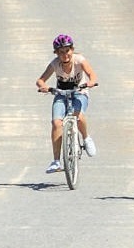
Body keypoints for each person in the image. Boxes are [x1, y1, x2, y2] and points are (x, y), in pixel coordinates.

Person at [35, 34, 98, 171]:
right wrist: (43, 86)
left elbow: (92, 75)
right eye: (61, 52)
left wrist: (90, 83)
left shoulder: (79, 60)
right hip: (61, 94)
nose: (65, 55)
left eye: (67, 50)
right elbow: (40, 80)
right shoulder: (54, 64)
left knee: (78, 114)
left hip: (79, 93)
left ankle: (86, 138)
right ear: (56, 53)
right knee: (56, 123)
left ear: (72, 50)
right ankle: (56, 161)